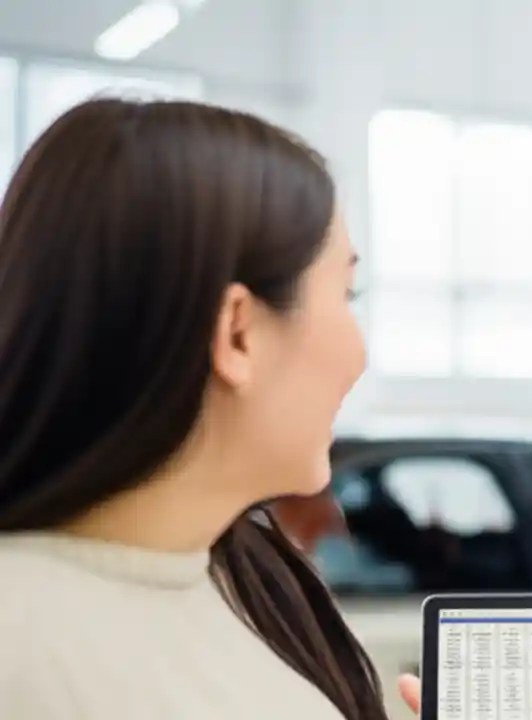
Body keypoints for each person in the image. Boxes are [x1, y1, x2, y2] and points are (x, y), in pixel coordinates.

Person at [0, 98, 385, 719]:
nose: (360, 354)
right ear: (239, 333)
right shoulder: (29, 658)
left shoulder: (249, 582)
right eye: (346, 294)